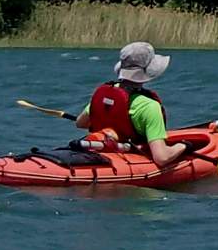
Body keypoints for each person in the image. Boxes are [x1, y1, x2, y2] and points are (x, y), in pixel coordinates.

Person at [80, 40, 196, 169]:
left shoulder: (106, 94)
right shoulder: (149, 106)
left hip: (104, 150)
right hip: (128, 157)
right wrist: (185, 145)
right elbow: (162, 158)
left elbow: (81, 123)